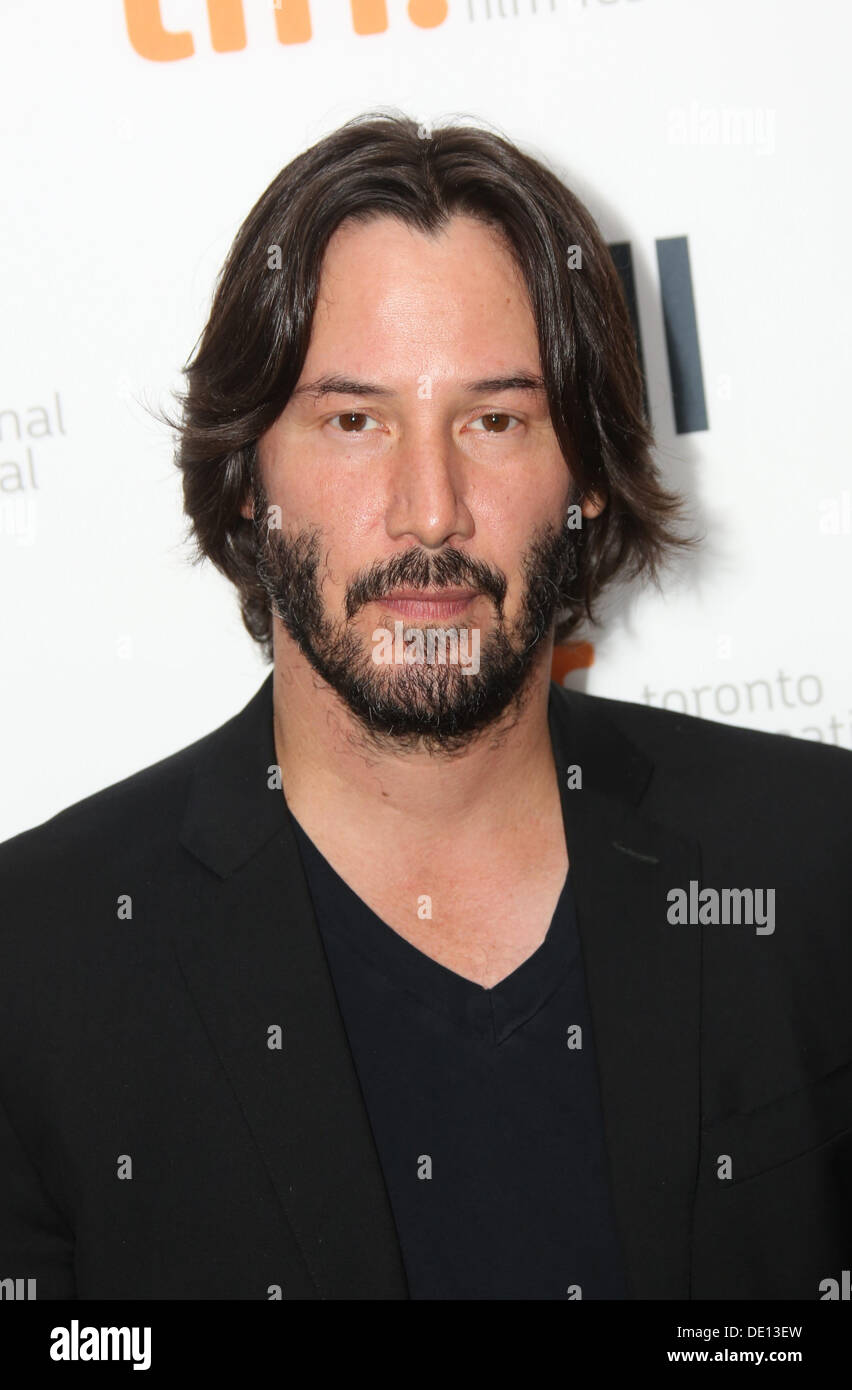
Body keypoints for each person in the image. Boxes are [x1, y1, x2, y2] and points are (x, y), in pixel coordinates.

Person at [1, 111, 850, 1302]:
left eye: (495, 420)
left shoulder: (818, 861)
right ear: (250, 480)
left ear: (590, 480)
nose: (430, 510)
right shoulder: (38, 966)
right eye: (355, 421)